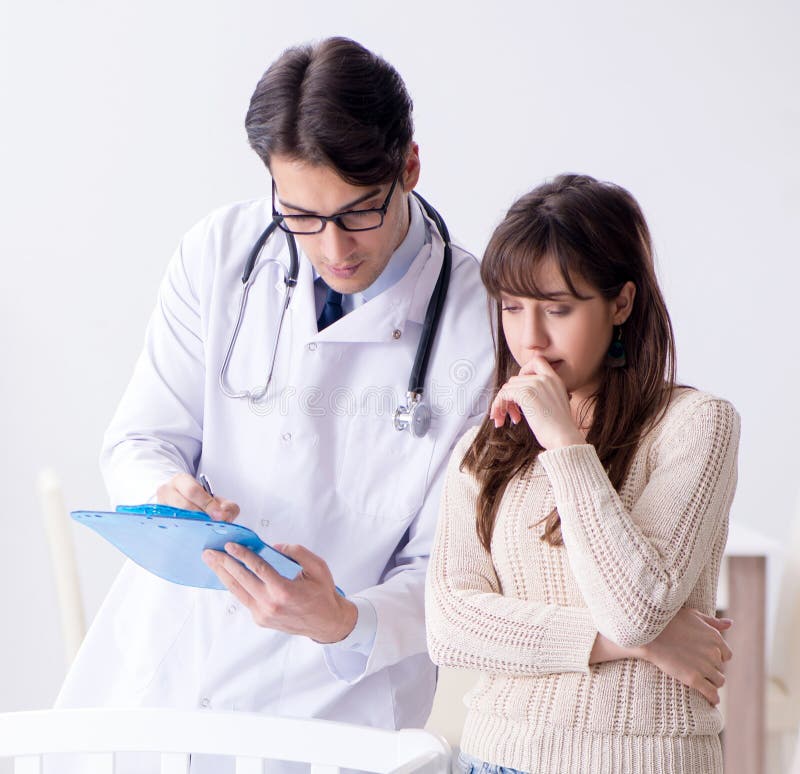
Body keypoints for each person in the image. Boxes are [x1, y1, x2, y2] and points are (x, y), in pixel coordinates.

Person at [55, 37, 493, 771]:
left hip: (332, 713)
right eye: (300, 215)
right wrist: (165, 494)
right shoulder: (218, 254)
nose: (333, 249)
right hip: (167, 678)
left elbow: (451, 571)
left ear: (409, 167)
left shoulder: (480, 325)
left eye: (359, 213)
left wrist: (345, 620)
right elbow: (139, 441)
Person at [425, 174, 740, 774]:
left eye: (558, 309)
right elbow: (451, 628)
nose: (530, 339)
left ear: (621, 303)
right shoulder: (483, 447)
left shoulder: (696, 425)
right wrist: (642, 646)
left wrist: (566, 446)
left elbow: (636, 609)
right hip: (497, 758)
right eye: (512, 308)